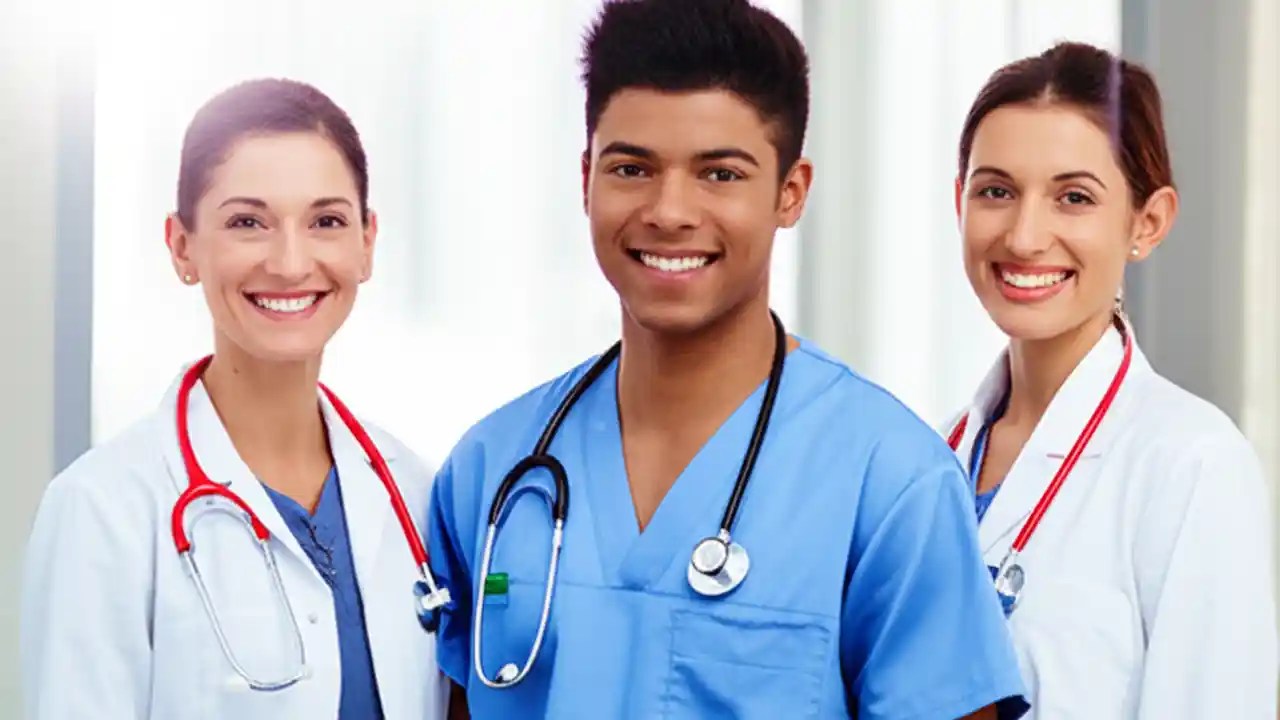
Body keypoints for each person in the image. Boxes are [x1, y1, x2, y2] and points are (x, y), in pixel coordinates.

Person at [426, 1, 1028, 718]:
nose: (669, 211)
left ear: (790, 193)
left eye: (719, 174)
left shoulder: (892, 482)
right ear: (586, 178)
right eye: (631, 168)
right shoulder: (492, 469)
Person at [21, 79, 445, 719]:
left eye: (326, 221)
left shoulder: (413, 492)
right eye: (248, 222)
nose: (290, 262)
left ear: (367, 242)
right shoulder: (103, 509)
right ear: (181, 246)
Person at [945, 41, 1277, 718]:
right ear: (960, 202)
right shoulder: (932, 453)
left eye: (1073, 197)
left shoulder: (1190, 463)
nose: (1024, 236)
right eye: (996, 191)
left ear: (1146, 223)